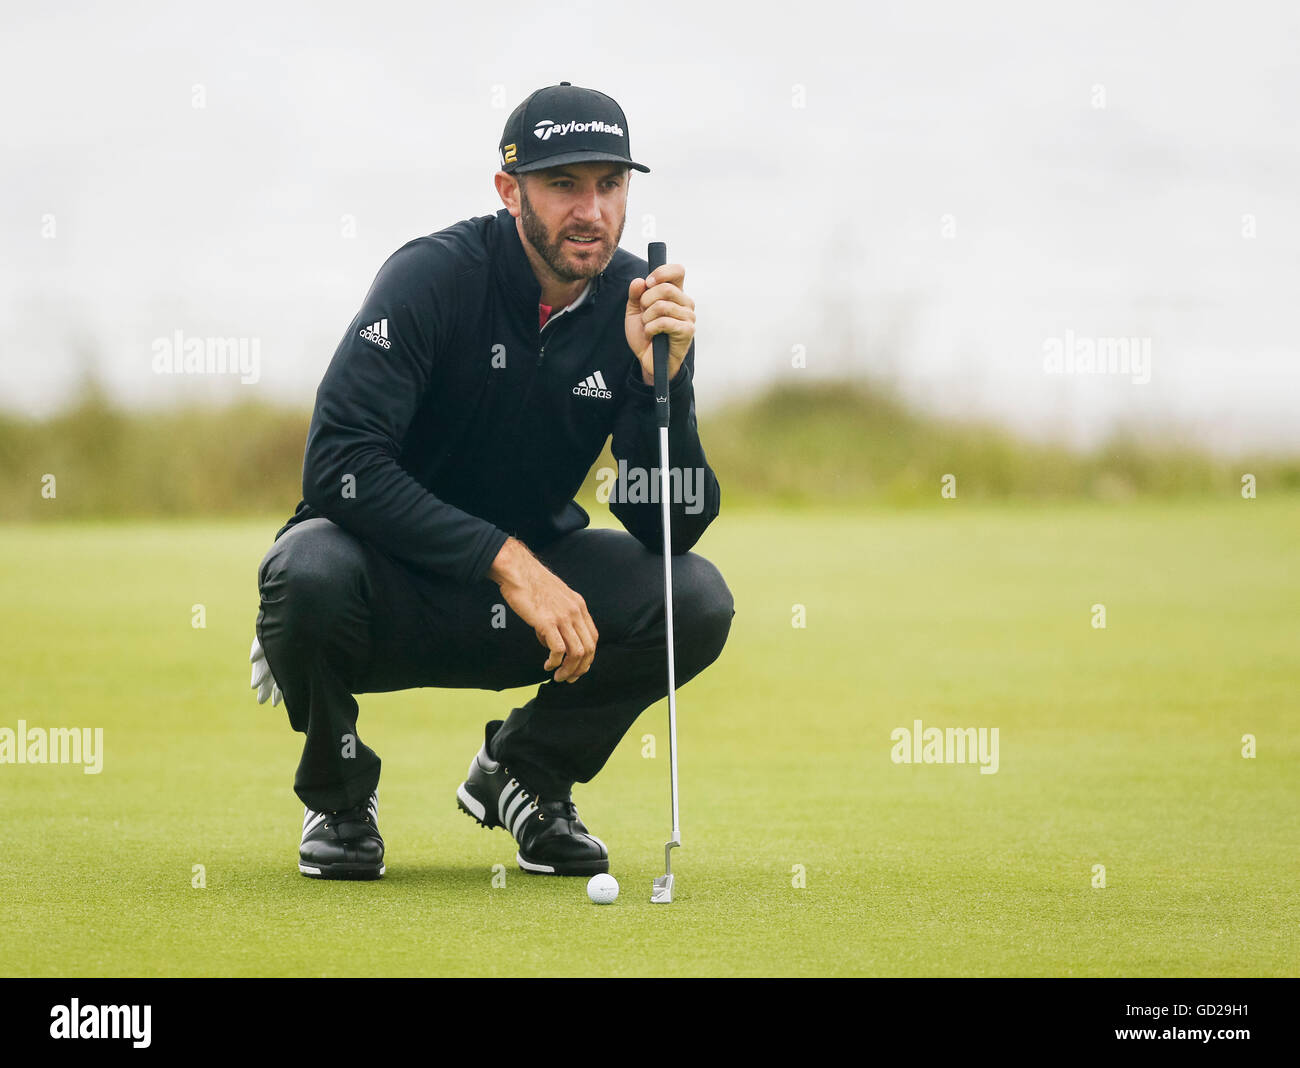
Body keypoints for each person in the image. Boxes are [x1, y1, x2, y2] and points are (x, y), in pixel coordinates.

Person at [248, 82, 734, 880]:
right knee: (306, 573)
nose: (592, 211)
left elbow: (668, 526)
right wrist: (506, 560)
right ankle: (337, 799)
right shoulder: (431, 278)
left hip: (533, 603)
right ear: (509, 192)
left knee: (697, 599)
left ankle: (526, 774)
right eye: (563, 185)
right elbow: (339, 467)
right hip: (384, 586)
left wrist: (665, 390)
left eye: (610, 184)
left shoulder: (635, 306)